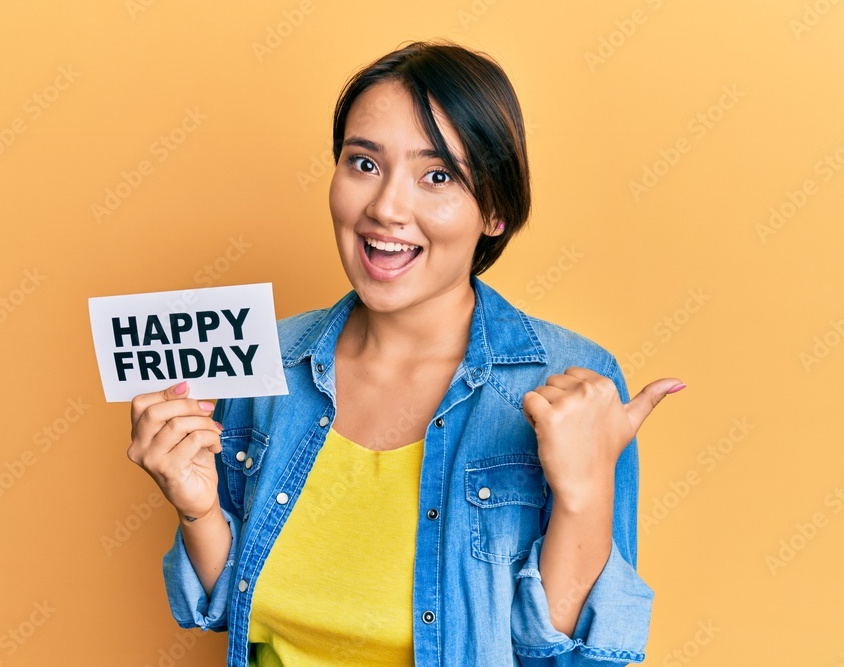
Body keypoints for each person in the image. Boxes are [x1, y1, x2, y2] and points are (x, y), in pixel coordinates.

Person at [127, 41, 684, 666]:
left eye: (438, 176)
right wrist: (198, 509)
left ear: (495, 209)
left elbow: (572, 659)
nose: (386, 208)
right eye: (363, 164)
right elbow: (232, 611)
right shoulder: (265, 364)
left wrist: (582, 496)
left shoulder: (571, 384)